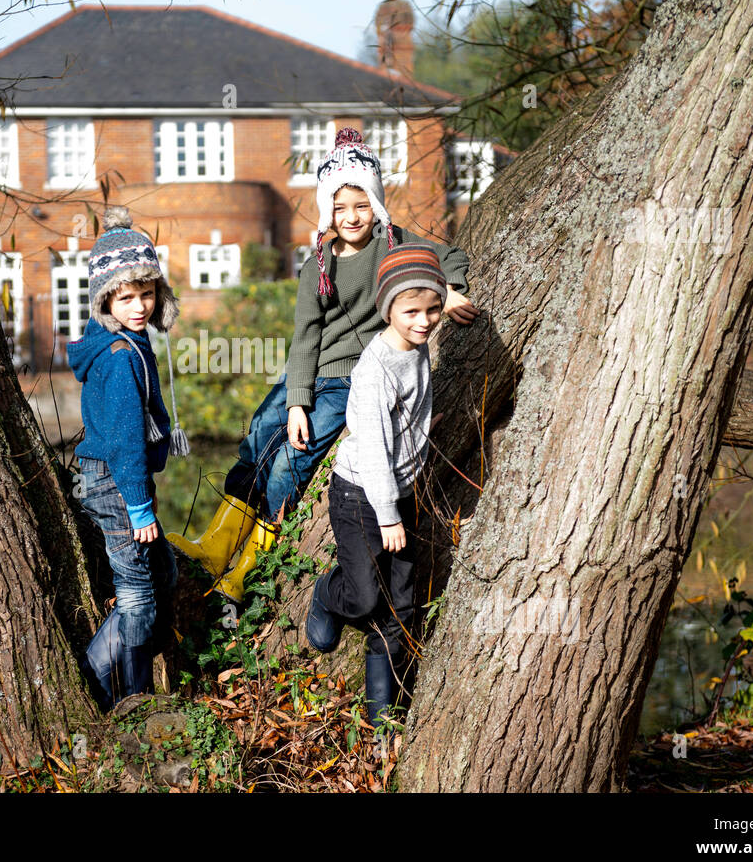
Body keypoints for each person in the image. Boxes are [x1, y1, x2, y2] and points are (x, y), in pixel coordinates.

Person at [168, 127, 477, 602]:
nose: (351, 217)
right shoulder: (317, 262)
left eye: (360, 204)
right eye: (340, 207)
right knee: (259, 434)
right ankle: (215, 546)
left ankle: (248, 568)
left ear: (374, 201)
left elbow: (450, 254)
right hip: (313, 371)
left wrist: (448, 287)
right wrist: (295, 402)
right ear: (326, 208)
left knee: (291, 461)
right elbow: (305, 337)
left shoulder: (392, 241)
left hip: (355, 380)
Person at [306, 243, 447, 724]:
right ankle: (328, 593)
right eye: (411, 311)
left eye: (433, 308)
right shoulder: (376, 367)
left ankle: (379, 718)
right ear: (388, 308)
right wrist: (388, 515)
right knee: (366, 598)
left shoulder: (418, 347)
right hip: (361, 497)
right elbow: (371, 446)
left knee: (401, 606)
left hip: (399, 495)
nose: (424, 321)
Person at [68, 205, 188, 710]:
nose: (139, 306)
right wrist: (138, 508)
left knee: (164, 572)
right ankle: (118, 689)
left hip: (119, 477)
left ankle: (130, 671)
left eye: (147, 293)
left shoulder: (132, 341)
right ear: (105, 300)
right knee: (137, 587)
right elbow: (124, 444)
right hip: (114, 481)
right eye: (126, 297)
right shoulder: (119, 359)